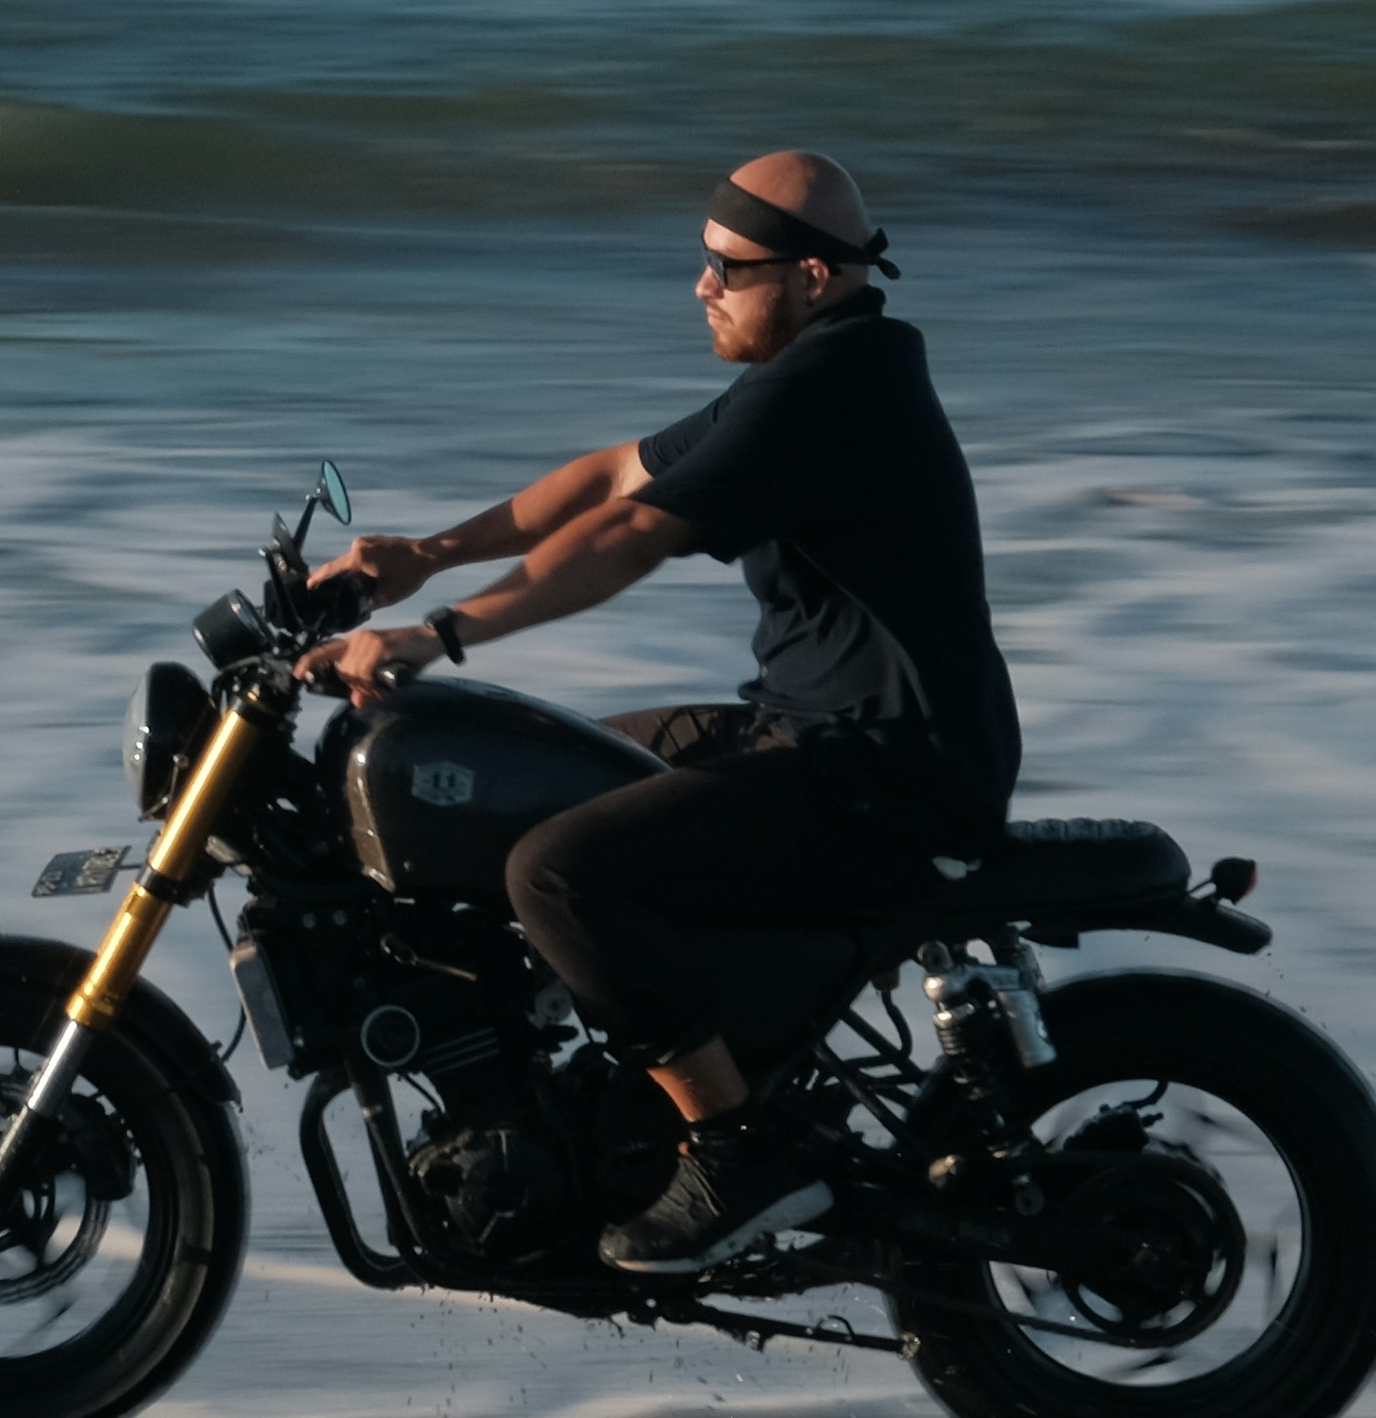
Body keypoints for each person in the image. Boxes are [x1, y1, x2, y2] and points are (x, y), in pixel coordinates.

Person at [297, 150, 1018, 1273]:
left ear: (815, 275)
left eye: (729, 268)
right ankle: (583, 1071)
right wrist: (420, 557)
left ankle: (735, 1146)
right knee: (536, 767)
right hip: (812, 729)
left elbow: (637, 536)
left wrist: (440, 637)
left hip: (884, 772)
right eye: (703, 262)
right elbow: (607, 480)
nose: (702, 286)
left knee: (556, 868)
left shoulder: (833, 388)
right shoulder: (818, 365)